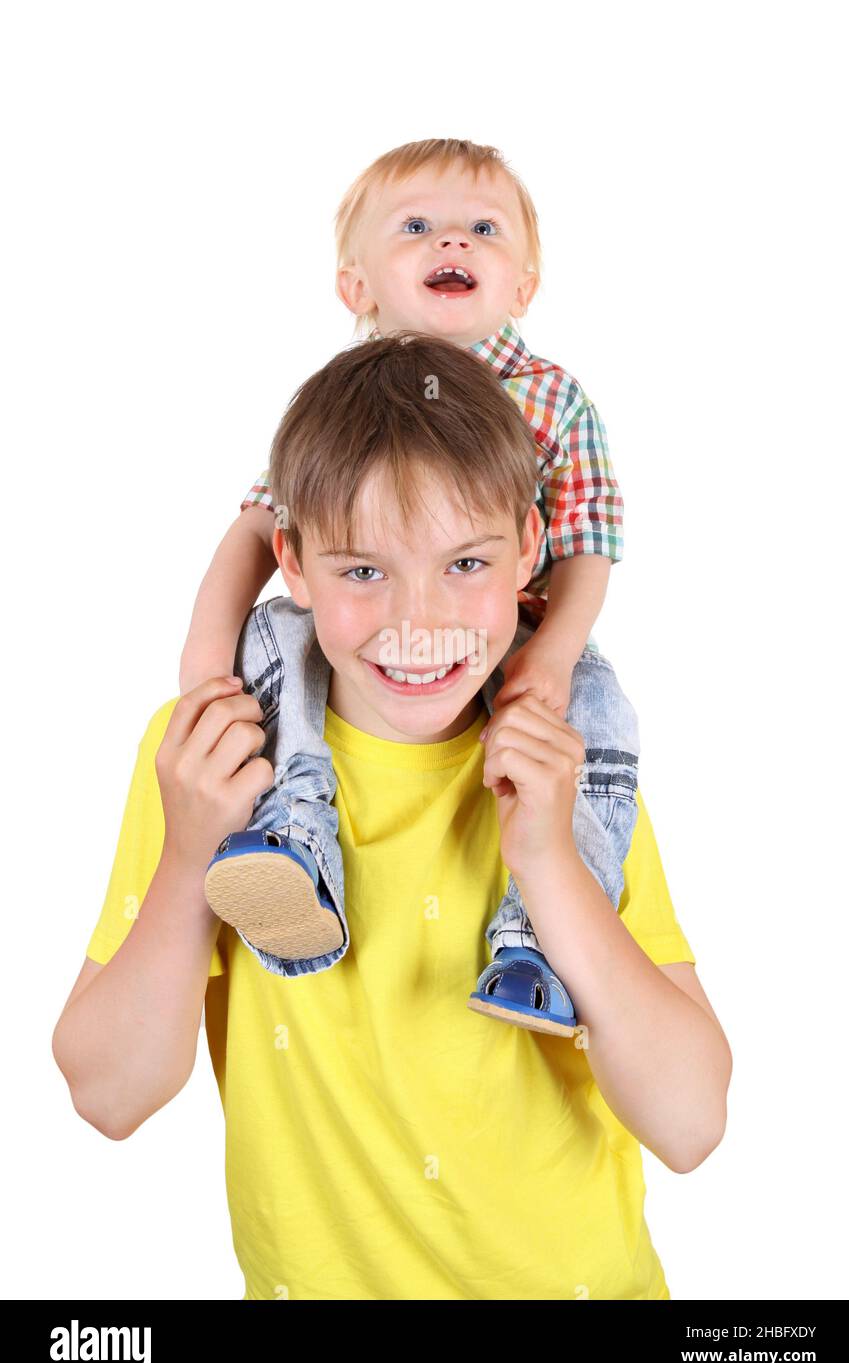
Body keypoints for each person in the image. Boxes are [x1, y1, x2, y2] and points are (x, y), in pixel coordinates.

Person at [53, 334, 732, 1300]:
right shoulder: (215, 749)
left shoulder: (561, 755)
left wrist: (548, 861)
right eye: (363, 572)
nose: (420, 618)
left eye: (465, 562)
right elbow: (107, 1097)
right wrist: (189, 858)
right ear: (290, 562)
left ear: (531, 550)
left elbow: (691, 1124)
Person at [179, 138, 636, 1031]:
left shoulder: (552, 401)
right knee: (280, 636)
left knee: (600, 709)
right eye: (418, 226)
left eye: (482, 229)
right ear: (356, 286)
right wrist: (207, 656)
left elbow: (586, 546)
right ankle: (296, 836)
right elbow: (258, 534)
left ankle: (540, 940)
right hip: (366, 653)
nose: (452, 243)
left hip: (506, 641)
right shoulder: (337, 405)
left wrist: (554, 654)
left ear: (524, 287)